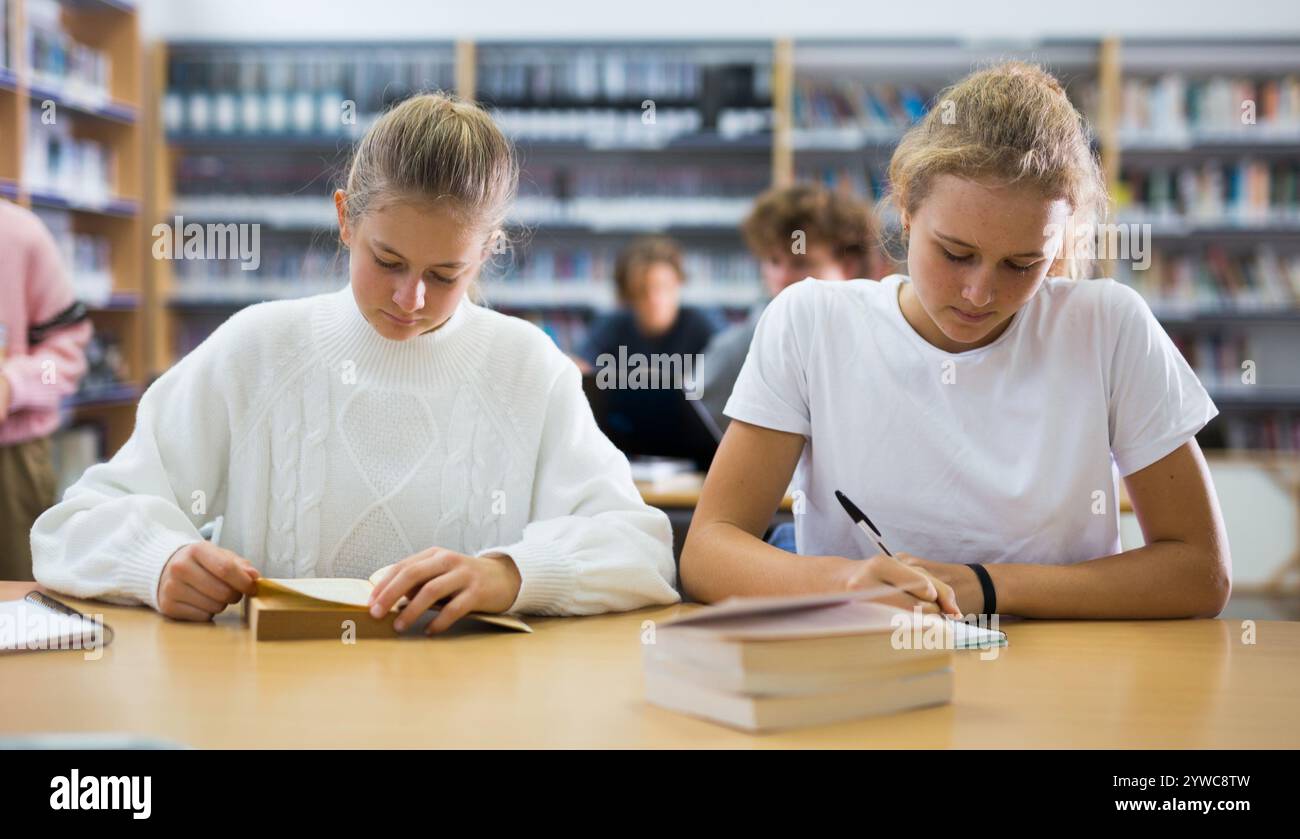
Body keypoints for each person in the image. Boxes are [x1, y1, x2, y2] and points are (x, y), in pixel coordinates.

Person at [32, 93, 680, 631]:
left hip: (469, 718)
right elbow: (74, 523)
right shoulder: (256, 348)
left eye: (446, 273)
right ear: (345, 218)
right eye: (389, 261)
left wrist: (509, 573)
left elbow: (642, 550)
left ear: (488, 250)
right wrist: (158, 559)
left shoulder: (528, 368)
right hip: (268, 713)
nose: (410, 299)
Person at [680, 62, 1231, 620]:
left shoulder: (1108, 326)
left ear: (1058, 246)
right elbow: (707, 552)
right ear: (905, 211)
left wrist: (988, 587)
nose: (979, 292)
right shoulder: (810, 320)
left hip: (1064, 676)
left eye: (1022, 263)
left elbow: (1200, 570)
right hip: (863, 667)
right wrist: (849, 578)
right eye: (955, 253)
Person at [696, 183, 876, 433]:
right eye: (773, 261)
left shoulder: (878, 341)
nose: (782, 276)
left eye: (800, 263)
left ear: (848, 266)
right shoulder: (736, 350)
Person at [0, 200, 91, 582]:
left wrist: (12, 384)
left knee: (18, 609)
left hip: (10, 462)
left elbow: (65, 363)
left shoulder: (19, 234)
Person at [575, 236, 721, 467]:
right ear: (628, 296)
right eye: (643, 291)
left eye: (663, 288)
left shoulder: (702, 326)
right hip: (626, 454)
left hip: (697, 457)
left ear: (678, 284)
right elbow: (581, 370)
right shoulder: (612, 326)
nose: (655, 299)